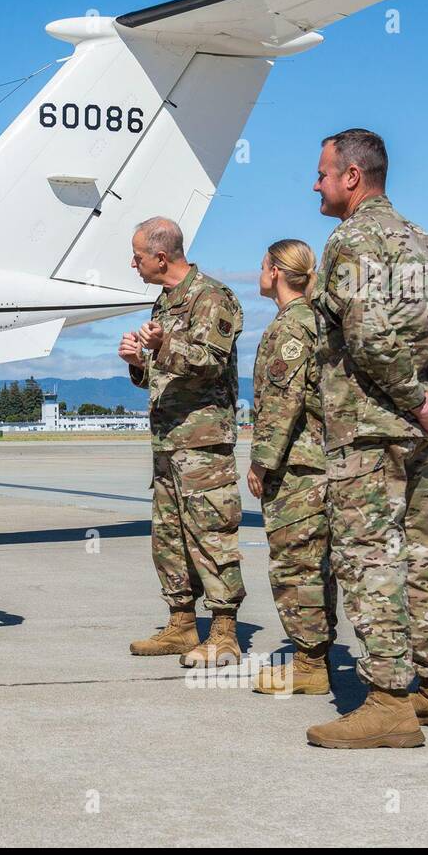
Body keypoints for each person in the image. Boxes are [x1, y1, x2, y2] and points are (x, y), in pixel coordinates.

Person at [306, 128, 428, 748]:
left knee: (369, 559)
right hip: (420, 432)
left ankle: (388, 704)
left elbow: (367, 334)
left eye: (323, 174)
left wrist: (414, 396)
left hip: (371, 429)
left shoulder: (353, 240)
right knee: (421, 555)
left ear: (352, 176)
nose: (315, 185)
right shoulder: (423, 241)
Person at [119, 217, 246, 668]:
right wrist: (139, 362)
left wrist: (162, 344)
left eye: (137, 256)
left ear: (160, 257)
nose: (132, 263)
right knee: (169, 537)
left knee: (212, 535)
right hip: (168, 441)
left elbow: (211, 362)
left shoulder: (212, 297)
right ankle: (181, 624)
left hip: (203, 443)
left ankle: (225, 632)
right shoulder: (165, 302)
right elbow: (165, 375)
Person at [245, 240, 337, 695]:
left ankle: (309, 664)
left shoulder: (291, 327)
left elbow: (284, 403)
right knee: (313, 565)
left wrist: (261, 463)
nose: (259, 273)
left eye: (263, 266)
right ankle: (314, 657)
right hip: (312, 463)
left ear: (277, 272)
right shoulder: (312, 319)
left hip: (298, 469)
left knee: (295, 567)